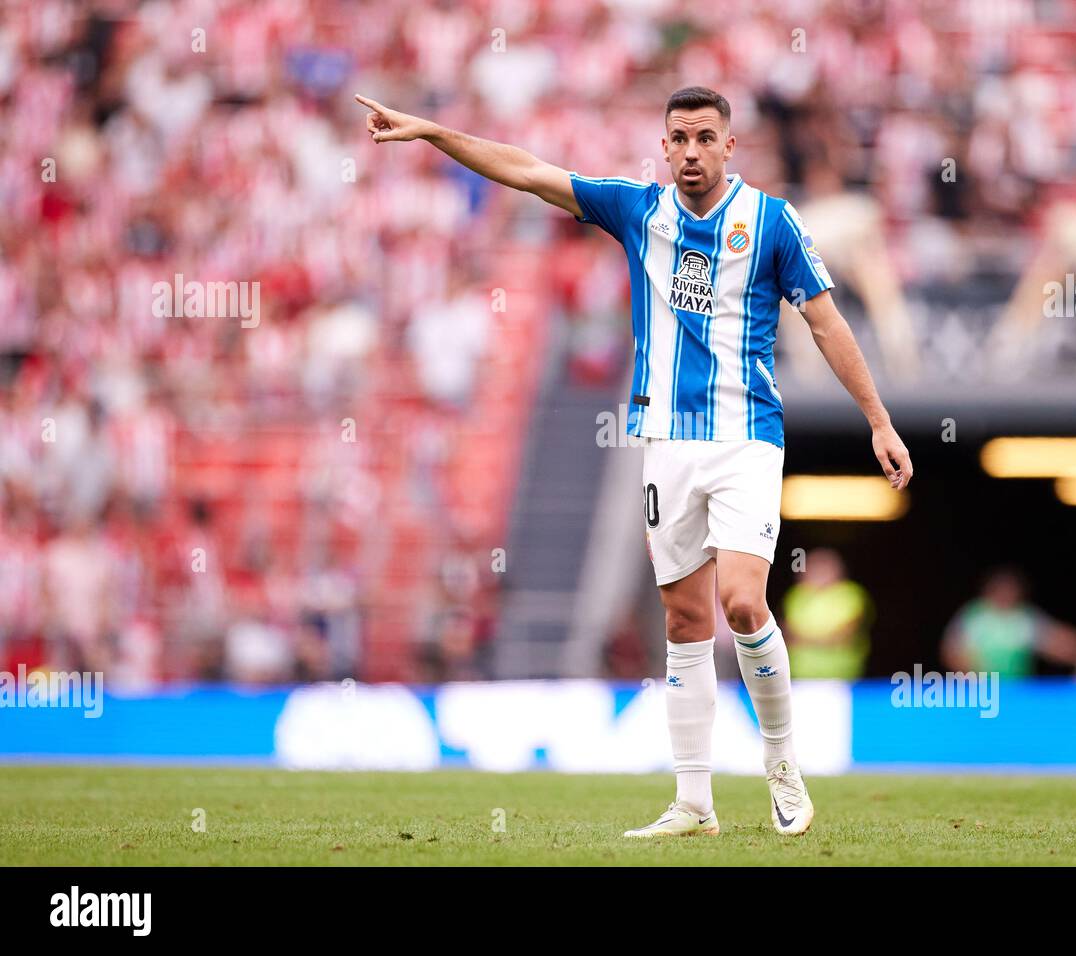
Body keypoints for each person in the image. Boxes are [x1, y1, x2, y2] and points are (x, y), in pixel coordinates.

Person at [355, 85, 912, 837]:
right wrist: (430, 133)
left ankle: (782, 766)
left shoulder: (772, 223)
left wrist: (878, 420)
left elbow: (825, 321)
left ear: (729, 146)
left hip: (747, 435)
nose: (689, 152)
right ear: (664, 145)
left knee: (743, 603)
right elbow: (525, 170)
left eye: (704, 138)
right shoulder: (637, 210)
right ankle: (693, 802)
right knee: (683, 620)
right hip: (664, 443)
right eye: (677, 138)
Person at [941, 568, 1076, 677]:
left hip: (1017, 692)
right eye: (1001, 591)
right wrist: (977, 672)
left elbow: (1060, 643)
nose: (1005, 596)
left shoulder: (1024, 617)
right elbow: (951, 652)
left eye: (1010, 591)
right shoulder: (974, 616)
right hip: (980, 691)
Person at [782, 548, 873, 678]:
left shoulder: (851, 594)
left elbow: (845, 636)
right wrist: (822, 640)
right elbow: (785, 633)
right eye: (812, 566)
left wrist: (804, 640)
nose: (816, 572)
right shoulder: (796, 595)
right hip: (800, 675)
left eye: (822, 567)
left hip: (841, 676)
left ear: (837, 570)